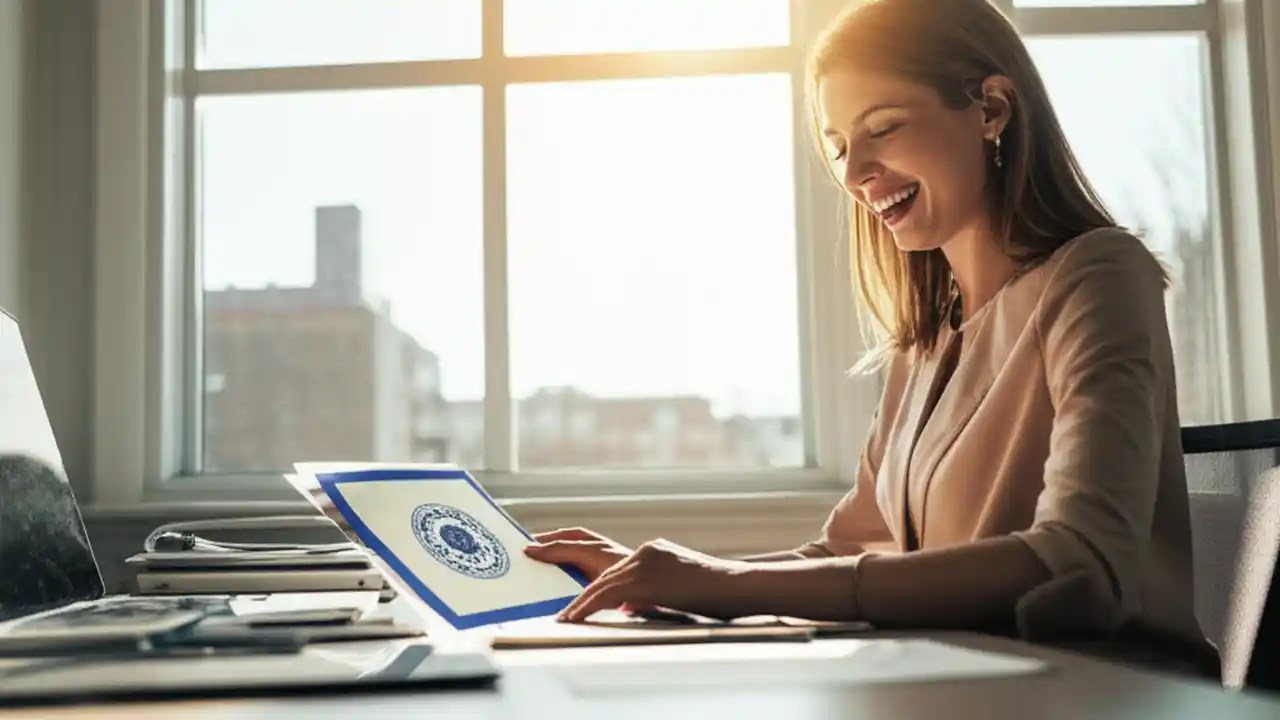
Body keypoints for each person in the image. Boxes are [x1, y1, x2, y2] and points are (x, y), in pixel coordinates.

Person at [524, 0, 1218, 678]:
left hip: (1101, 695)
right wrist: (663, 575)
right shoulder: (923, 342)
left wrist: (728, 583)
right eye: (839, 148)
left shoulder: (1098, 276)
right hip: (957, 690)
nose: (854, 175)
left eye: (882, 128)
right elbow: (844, 549)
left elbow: (1082, 561)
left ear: (992, 109)